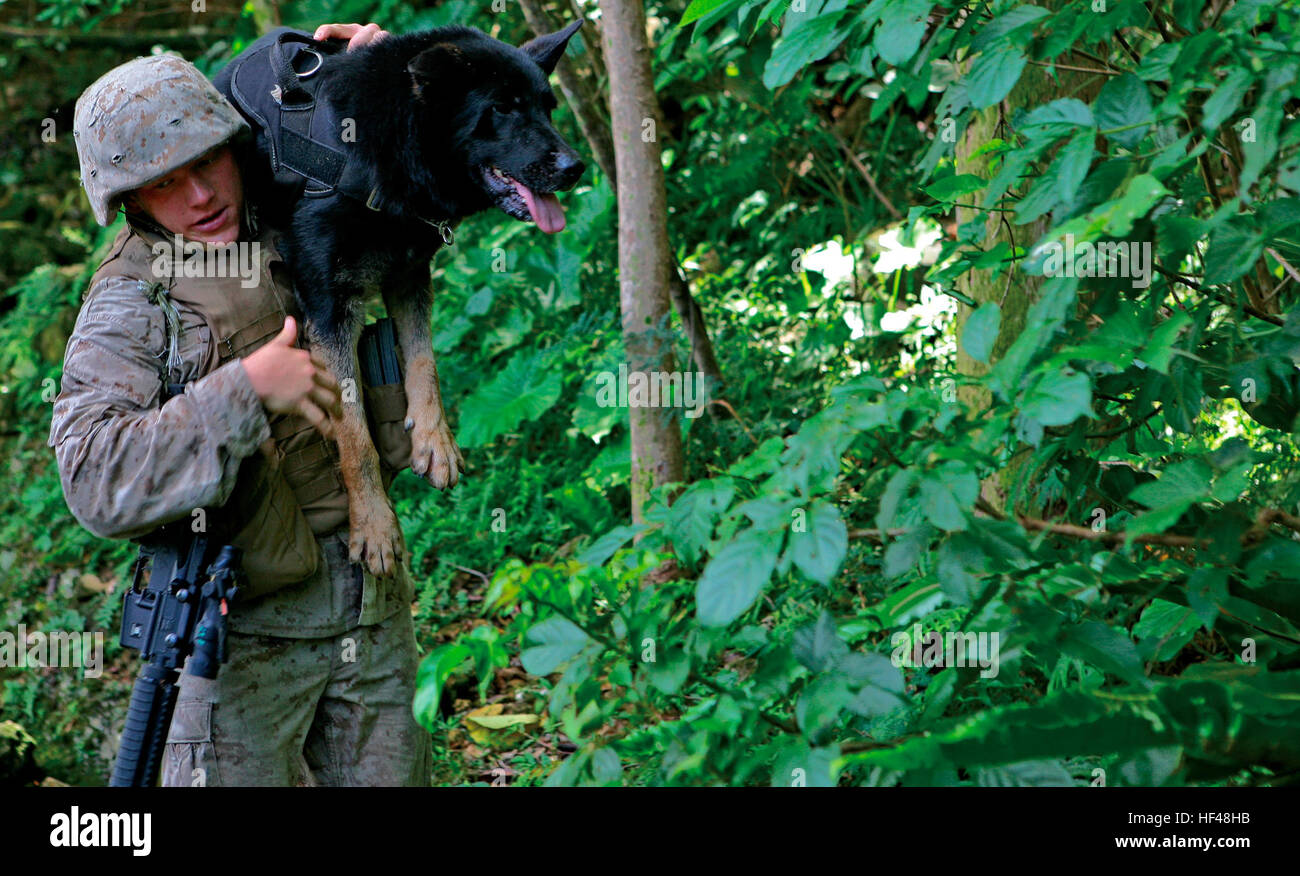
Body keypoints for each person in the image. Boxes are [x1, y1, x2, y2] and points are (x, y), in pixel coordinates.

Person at [50, 22, 433, 786]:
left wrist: (393, 85)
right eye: (163, 181)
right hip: (241, 636)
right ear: (127, 198)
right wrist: (245, 392)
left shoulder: (299, 201)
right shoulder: (134, 298)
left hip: (372, 606)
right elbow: (94, 477)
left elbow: (451, 173)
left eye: (208, 162)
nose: (198, 196)